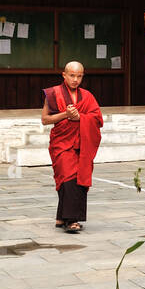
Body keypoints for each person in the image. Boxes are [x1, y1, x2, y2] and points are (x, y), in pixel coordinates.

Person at [41, 61, 103, 233]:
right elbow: (45, 119)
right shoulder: (53, 93)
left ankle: (62, 217)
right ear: (64, 75)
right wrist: (65, 115)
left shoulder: (87, 96)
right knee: (67, 178)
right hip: (61, 144)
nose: (76, 79)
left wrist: (80, 118)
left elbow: (97, 119)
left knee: (79, 178)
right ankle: (72, 220)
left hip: (81, 144)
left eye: (79, 76)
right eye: (72, 75)